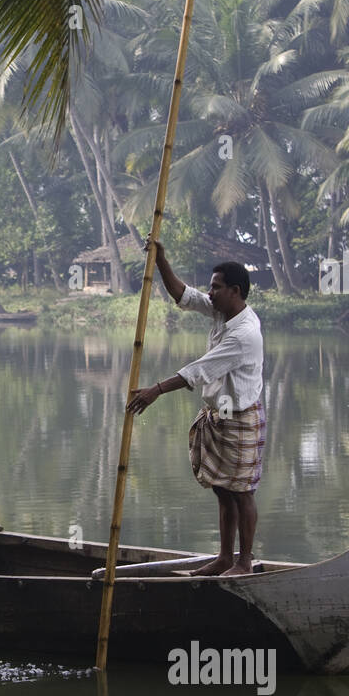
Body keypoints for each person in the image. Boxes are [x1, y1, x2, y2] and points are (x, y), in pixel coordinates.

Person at [126, 238, 265, 576]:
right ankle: (224, 558)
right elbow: (184, 296)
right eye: (211, 287)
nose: (210, 292)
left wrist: (156, 390)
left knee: (242, 492)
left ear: (235, 291)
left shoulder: (244, 333)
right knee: (222, 489)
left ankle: (244, 563)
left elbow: (200, 369)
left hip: (241, 416)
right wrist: (161, 259)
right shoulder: (221, 310)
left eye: (216, 287)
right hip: (219, 415)